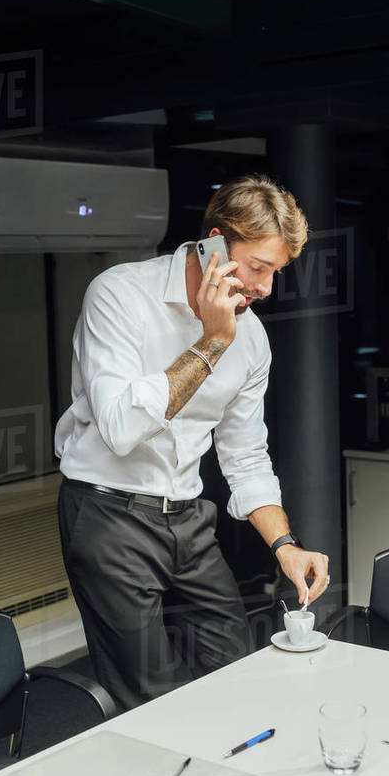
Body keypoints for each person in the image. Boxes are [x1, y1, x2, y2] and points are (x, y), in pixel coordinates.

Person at [53, 174, 331, 710]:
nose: (267, 288)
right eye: (257, 267)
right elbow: (119, 428)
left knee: (236, 666)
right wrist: (210, 344)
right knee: (148, 697)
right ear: (214, 244)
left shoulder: (252, 339)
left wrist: (285, 546)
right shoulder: (119, 295)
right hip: (109, 514)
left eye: (276, 273)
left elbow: (245, 455)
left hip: (189, 518)